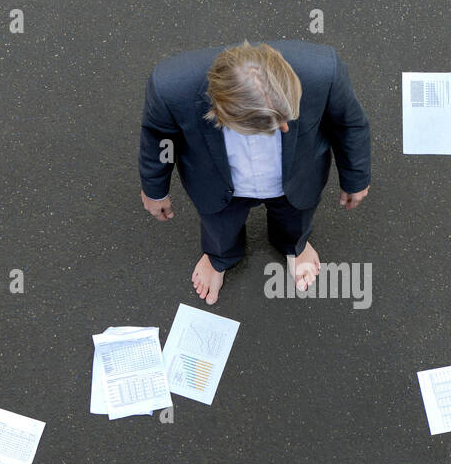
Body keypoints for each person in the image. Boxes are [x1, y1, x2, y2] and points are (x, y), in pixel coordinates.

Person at [138, 40, 371, 304]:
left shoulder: (323, 71)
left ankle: (294, 246)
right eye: (271, 125)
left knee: (296, 218)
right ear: (221, 113)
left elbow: (349, 124)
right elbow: (159, 138)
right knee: (219, 227)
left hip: (296, 179)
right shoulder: (170, 88)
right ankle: (219, 256)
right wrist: (155, 190)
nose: (285, 128)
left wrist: (356, 177)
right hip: (218, 184)